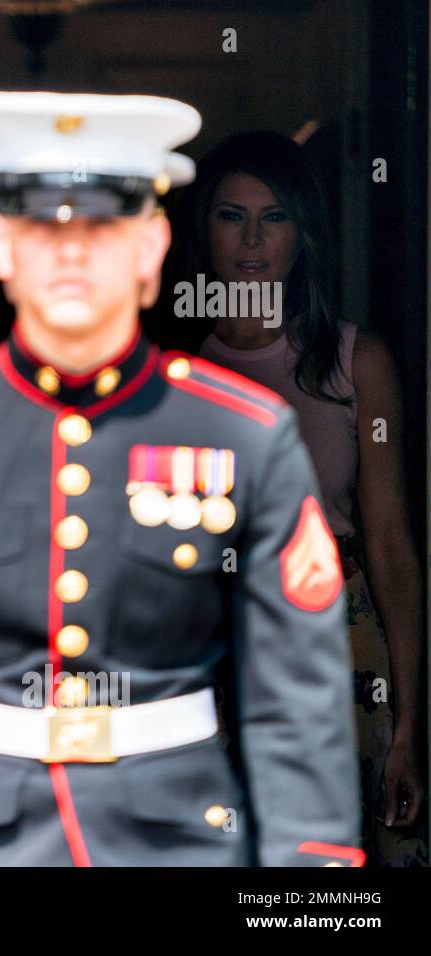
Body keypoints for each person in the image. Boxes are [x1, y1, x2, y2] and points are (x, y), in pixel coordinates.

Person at [0, 91, 364, 867]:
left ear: (153, 248)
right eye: (41, 225)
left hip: (175, 840)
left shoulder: (241, 434)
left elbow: (297, 702)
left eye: (104, 225)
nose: (71, 252)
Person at [187, 131, 426, 866]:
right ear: (206, 230)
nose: (253, 239)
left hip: (345, 643)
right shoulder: (174, 367)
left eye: (275, 216)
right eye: (233, 216)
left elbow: (390, 548)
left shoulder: (359, 363)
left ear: (304, 233)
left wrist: (411, 725)